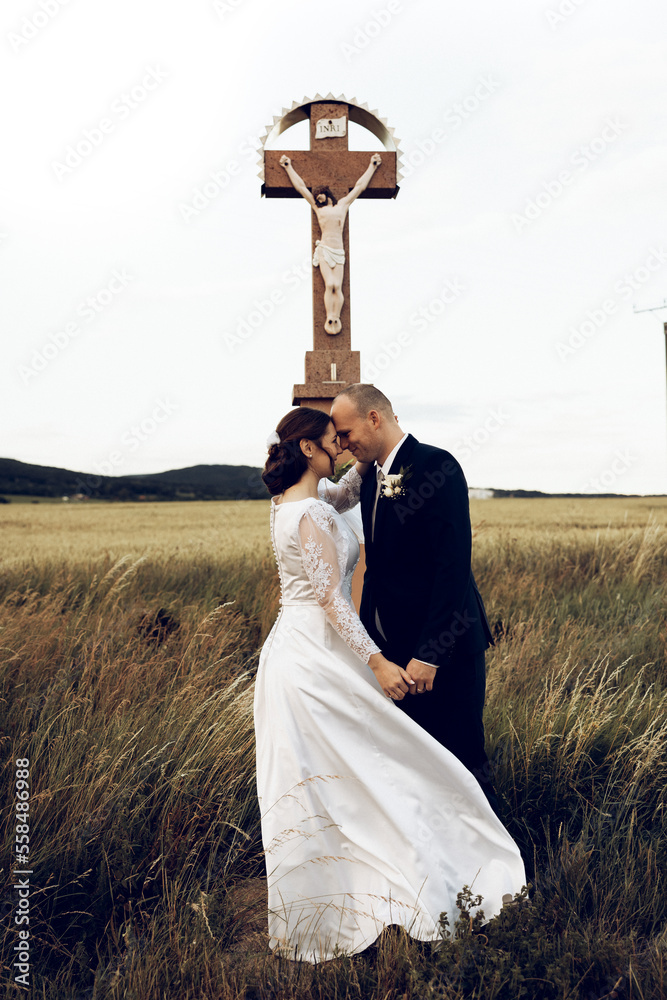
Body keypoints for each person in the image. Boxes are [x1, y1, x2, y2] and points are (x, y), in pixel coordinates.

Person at [253, 405, 525, 963]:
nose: (343, 448)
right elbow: (332, 601)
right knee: (373, 761)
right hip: (318, 655)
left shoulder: (293, 503)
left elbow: (356, 489)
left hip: (298, 651)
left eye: (348, 436)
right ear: (310, 449)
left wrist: (375, 450)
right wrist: (377, 661)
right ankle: (392, 869)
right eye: (334, 440)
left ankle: (332, 882)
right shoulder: (311, 514)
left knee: (331, 771)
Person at [330, 384, 498, 809]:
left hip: (446, 649)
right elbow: (382, 570)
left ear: (374, 418)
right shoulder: (369, 478)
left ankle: (499, 869)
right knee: (416, 767)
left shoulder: (436, 465)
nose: (345, 445)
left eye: (347, 433)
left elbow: (452, 567)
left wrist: (430, 654)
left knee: (463, 761)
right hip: (395, 651)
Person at [279, 153, 381, 334]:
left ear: (327, 194)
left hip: (338, 250)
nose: (317, 198)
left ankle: (337, 316)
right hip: (325, 249)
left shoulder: (342, 206)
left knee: (338, 286)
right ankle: (329, 316)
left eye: (320, 195)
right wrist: (288, 167)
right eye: (316, 196)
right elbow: (301, 187)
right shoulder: (318, 210)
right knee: (330, 285)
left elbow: (359, 187)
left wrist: (372, 166)